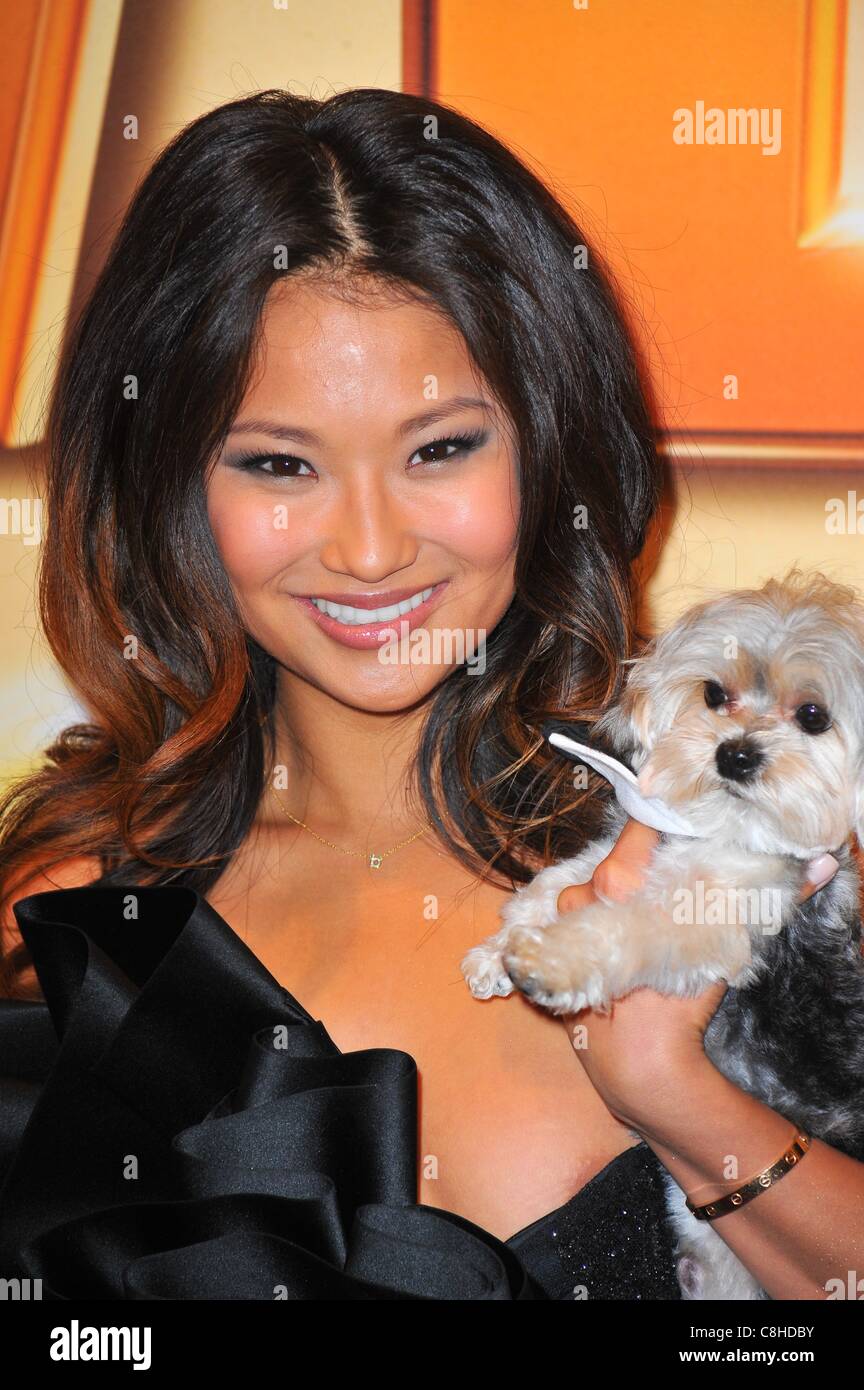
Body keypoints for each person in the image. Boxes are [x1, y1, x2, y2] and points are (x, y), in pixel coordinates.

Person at [0, 87, 860, 1302]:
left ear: (547, 443)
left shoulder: (737, 859)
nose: (366, 549)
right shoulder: (77, 921)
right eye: (278, 463)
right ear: (167, 488)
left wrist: (678, 1098)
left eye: (440, 448)